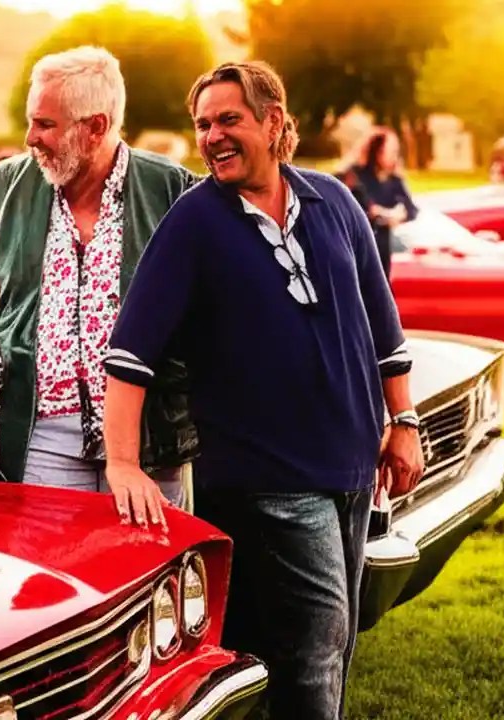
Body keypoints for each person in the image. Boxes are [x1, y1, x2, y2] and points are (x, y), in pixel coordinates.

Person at [101, 61, 425, 719]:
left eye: (228, 120)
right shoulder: (194, 222)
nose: (212, 136)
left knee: (332, 640)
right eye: (203, 125)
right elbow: (130, 354)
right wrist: (122, 461)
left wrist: (406, 420)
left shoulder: (335, 201)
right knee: (315, 645)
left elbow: (382, 323)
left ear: (274, 122)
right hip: (266, 476)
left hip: (354, 464)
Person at [0, 46, 198, 504]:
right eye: (31, 121)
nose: (30, 138)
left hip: (149, 438)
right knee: (54, 569)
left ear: (96, 126)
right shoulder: (6, 185)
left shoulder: (172, 189)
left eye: (45, 124)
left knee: (150, 570)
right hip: (42, 437)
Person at [341, 127, 418, 278]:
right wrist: (377, 213)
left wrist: (396, 216)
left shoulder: (395, 180)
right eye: (389, 151)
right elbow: (360, 206)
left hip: (383, 245)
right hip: (357, 244)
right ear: (376, 151)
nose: (394, 156)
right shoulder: (355, 175)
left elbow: (412, 210)